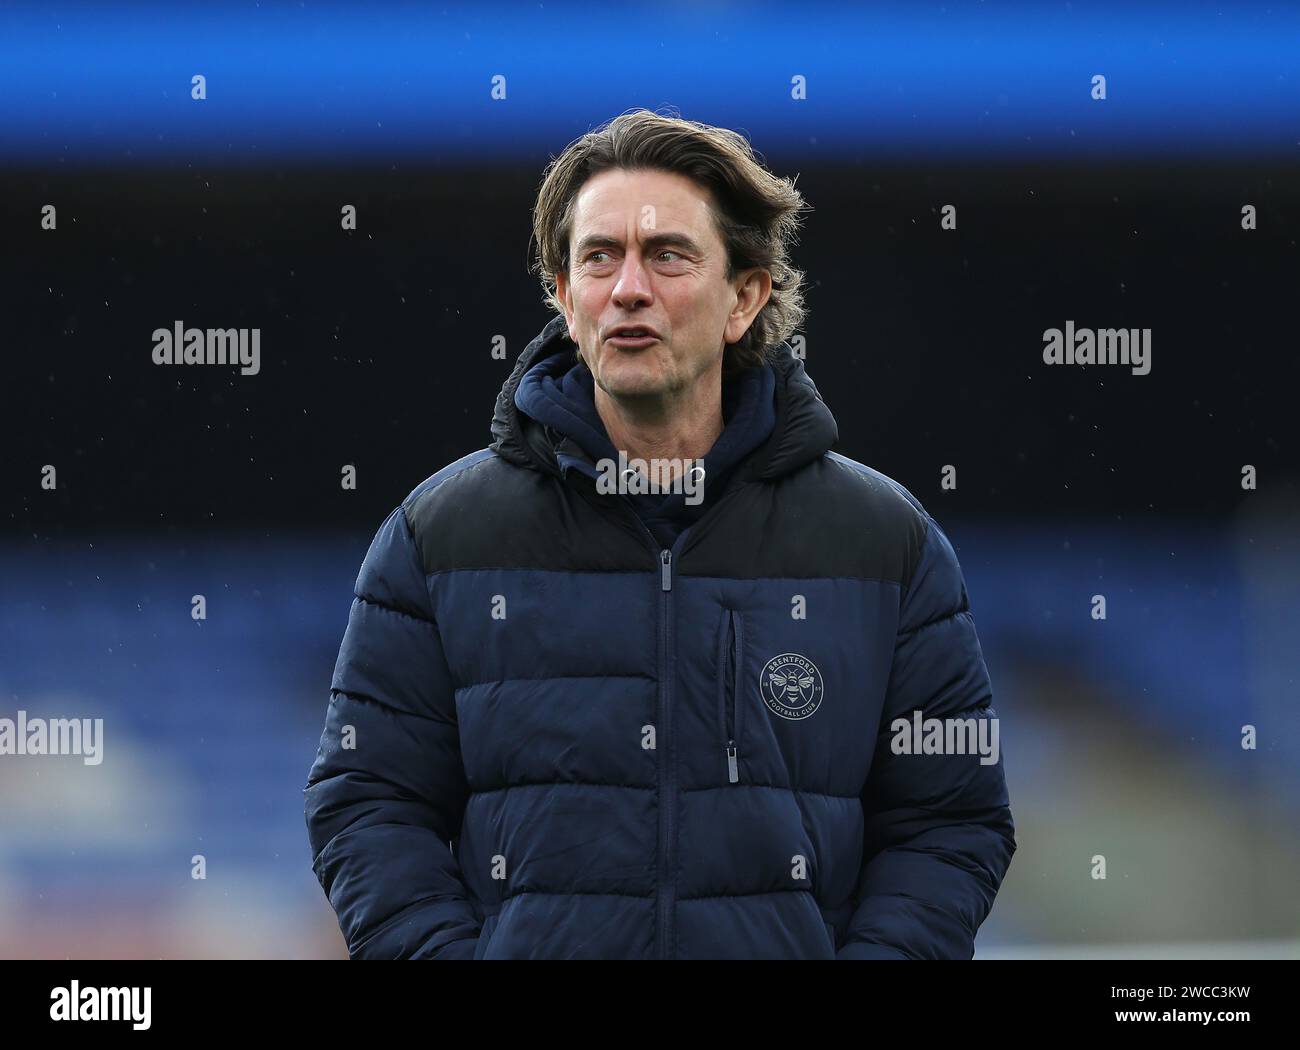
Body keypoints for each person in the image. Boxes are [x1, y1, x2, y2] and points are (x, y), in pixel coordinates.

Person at [304, 108, 1015, 959]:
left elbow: (950, 823)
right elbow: (368, 804)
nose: (628, 288)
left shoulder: (884, 541)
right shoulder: (438, 537)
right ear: (566, 301)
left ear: (745, 298)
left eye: (668, 255)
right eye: (598, 258)